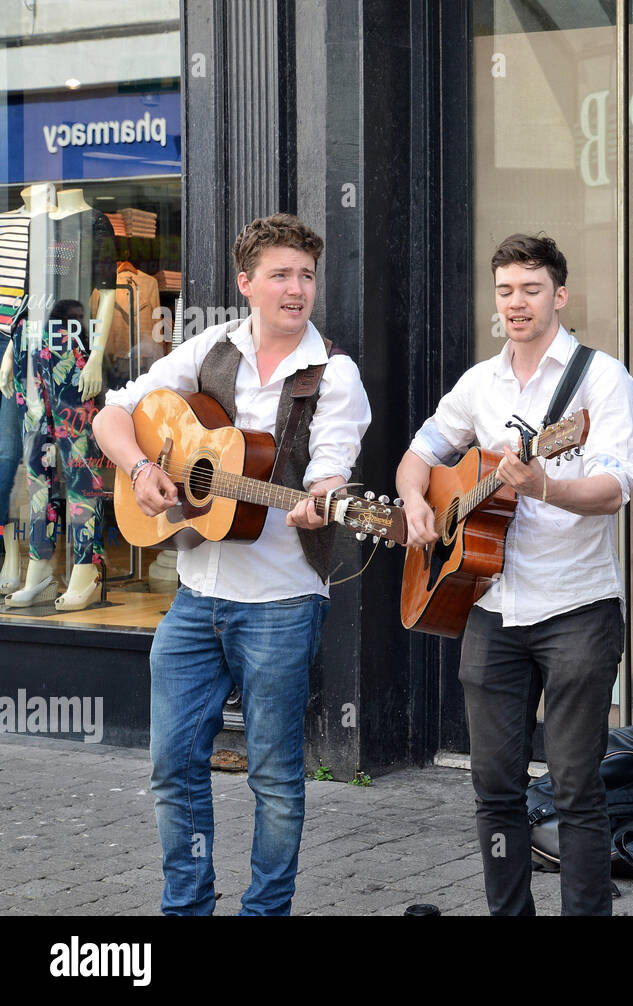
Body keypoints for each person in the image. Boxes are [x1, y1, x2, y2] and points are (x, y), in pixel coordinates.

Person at [92, 213, 371, 915]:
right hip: (194, 597)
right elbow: (111, 415)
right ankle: (186, 905)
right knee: (172, 767)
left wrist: (324, 501)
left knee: (275, 777)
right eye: (280, 274)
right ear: (246, 283)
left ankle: (265, 910)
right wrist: (144, 469)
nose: (296, 288)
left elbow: (332, 471)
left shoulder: (332, 376)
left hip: (280, 602)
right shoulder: (210, 346)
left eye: (306, 275)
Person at [396, 233, 633, 916]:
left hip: (577, 608)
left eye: (531, 289)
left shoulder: (601, 379)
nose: (517, 303)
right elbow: (419, 454)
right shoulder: (479, 384)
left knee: (576, 788)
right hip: (490, 606)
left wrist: (539, 486)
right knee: (494, 787)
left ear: (560, 296)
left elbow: (615, 489)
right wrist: (418, 501)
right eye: (505, 291)